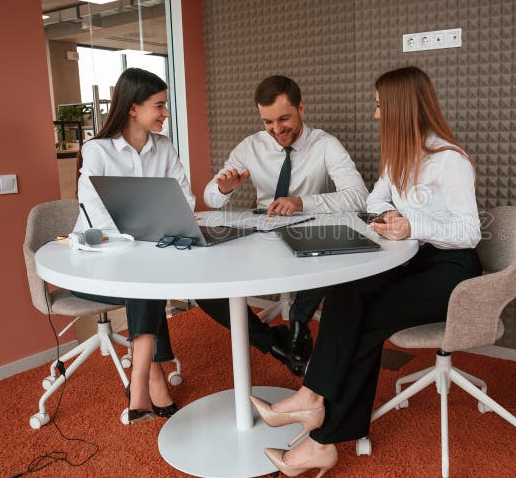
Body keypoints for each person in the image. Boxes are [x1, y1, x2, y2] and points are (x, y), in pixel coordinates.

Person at [250, 66, 482, 475]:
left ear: (400, 109)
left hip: (451, 270)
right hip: (411, 258)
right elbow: (374, 200)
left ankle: (321, 434)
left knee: (366, 321)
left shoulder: (449, 160)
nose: (376, 116)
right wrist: (391, 213)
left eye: (379, 107)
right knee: (347, 289)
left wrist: (413, 225)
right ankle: (313, 399)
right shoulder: (400, 156)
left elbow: (470, 232)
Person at [197, 75, 368, 375]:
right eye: (267, 122)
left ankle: (300, 316)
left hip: (309, 229)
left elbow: (358, 197)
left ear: (302, 107)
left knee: (340, 251)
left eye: (284, 119)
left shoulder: (325, 145)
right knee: (204, 286)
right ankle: (273, 342)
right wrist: (224, 188)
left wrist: (303, 202)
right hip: (260, 231)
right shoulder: (250, 147)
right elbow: (211, 197)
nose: (276, 130)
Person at [73, 68, 194, 424]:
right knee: (144, 282)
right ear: (132, 108)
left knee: (146, 277)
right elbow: (95, 212)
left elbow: (184, 200)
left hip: (149, 257)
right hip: (98, 261)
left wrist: (150, 230)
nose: (166, 113)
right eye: (159, 106)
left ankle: (141, 379)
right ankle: (149, 374)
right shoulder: (97, 151)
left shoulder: (164, 147)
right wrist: (147, 231)